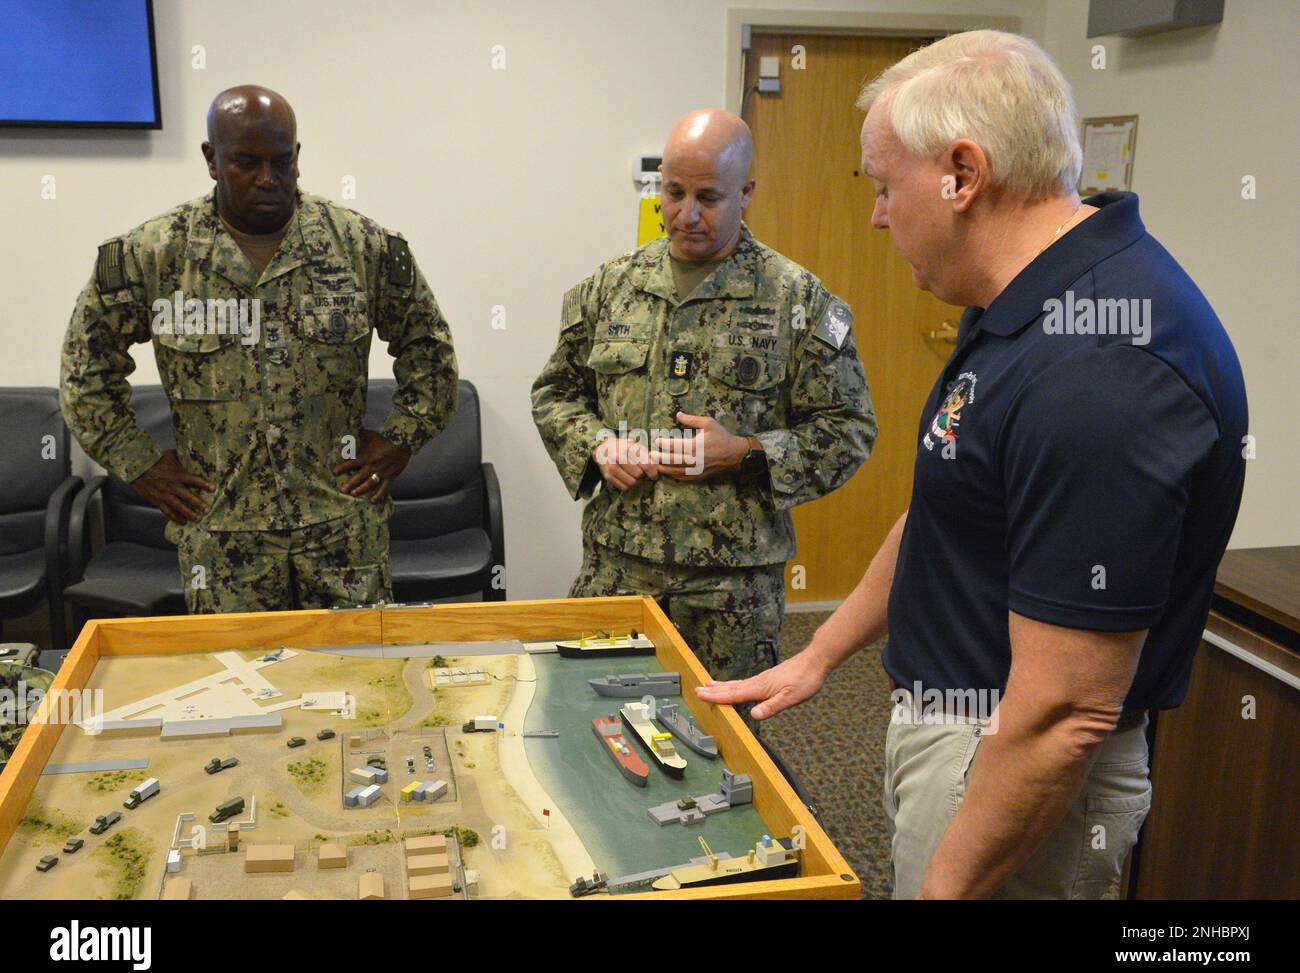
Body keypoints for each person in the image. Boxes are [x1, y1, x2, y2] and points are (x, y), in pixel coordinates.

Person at [699, 30, 1248, 898]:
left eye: (884, 186)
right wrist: (821, 654)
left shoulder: (1102, 366)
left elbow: (1066, 714)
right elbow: (949, 508)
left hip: (1012, 758)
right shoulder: (1022, 301)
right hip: (953, 729)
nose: (877, 215)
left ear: (962, 173)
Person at [60, 85, 458, 613]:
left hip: (341, 531)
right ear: (211, 159)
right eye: (247, 163)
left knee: (359, 681)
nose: (268, 180)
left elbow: (430, 350)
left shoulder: (360, 246)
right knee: (237, 688)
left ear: (297, 157)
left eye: (282, 162)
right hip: (223, 538)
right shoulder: (154, 256)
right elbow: (85, 371)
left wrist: (400, 441)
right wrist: (142, 467)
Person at [531, 108, 877, 686]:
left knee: (726, 743)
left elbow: (848, 428)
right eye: (673, 192)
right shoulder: (611, 287)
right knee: (597, 722)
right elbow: (556, 393)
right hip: (619, 567)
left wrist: (743, 452)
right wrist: (597, 446)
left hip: (731, 588)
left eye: (709, 197)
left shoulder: (796, 299)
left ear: (747, 193)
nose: (686, 214)